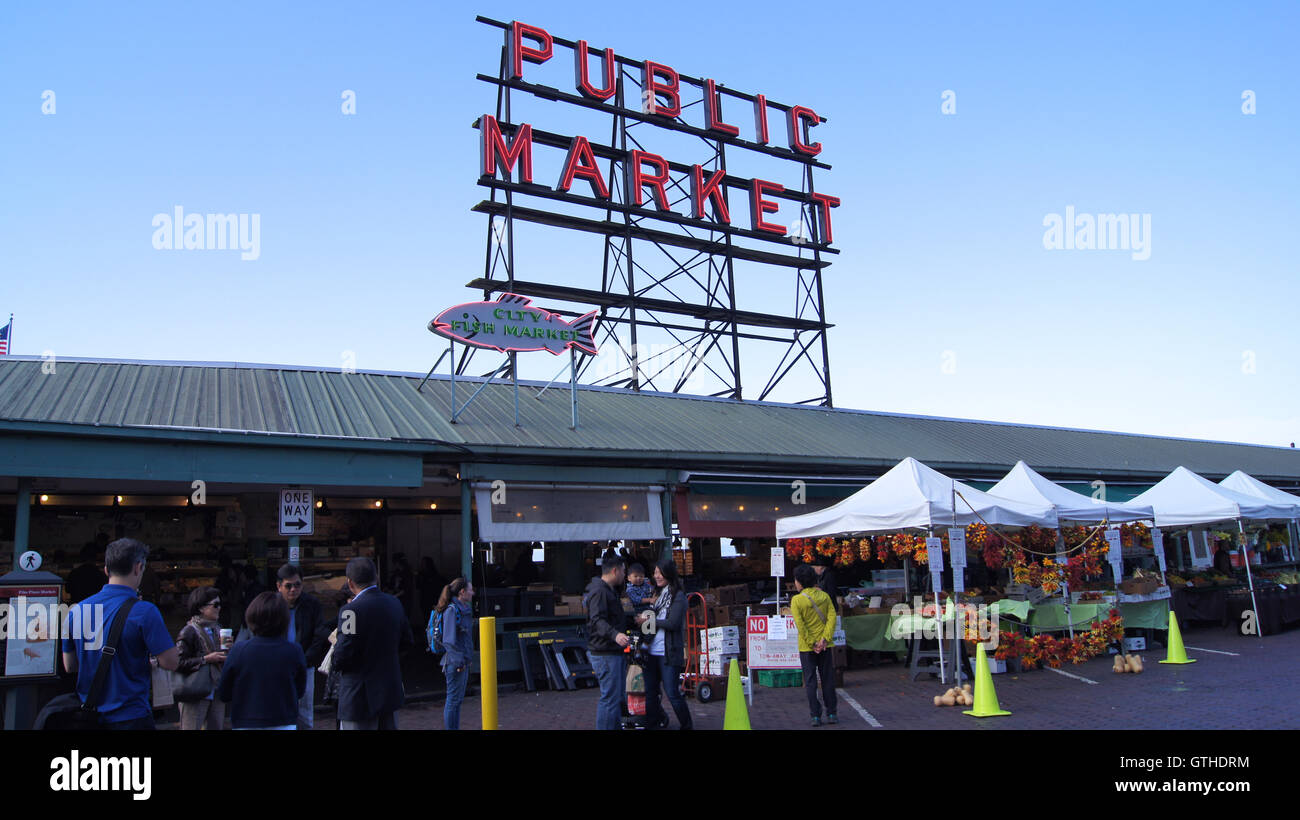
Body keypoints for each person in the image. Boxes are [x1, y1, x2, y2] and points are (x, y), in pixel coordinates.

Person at [60, 538, 179, 730]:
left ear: (106, 570)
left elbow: (70, 666)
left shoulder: (76, 611)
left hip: (88, 716)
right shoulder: (145, 611)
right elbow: (171, 662)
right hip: (132, 715)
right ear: (138, 567)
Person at [332, 557, 414, 730]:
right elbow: (407, 641)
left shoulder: (350, 611)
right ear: (376, 578)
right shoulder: (394, 603)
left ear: (350, 583)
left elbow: (342, 655)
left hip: (358, 696)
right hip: (389, 690)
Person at [216, 592, 306, 730]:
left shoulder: (239, 650)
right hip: (284, 721)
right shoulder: (294, 650)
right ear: (284, 619)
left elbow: (224, 693)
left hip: (245, 721)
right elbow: (299, 690)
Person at [634, 557, 693, 730]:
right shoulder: (658, 595)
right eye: (655, 573)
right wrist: (644, 621)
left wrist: (649, 619)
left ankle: (687, 725)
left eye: (660, 573)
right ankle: (653, 723)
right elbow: (653, 621)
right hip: (651, 650)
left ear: (669, 573)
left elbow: (673, 623)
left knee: (672, 692)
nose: (656, 576)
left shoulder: (678, 597)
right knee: (651, 692)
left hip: (668, 652)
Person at [274, 563, 330, 729]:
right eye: (288, 586)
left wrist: (306, 660)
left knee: (305, 712)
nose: (293, 590)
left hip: (304, 664)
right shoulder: (272, 604)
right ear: (279, 586)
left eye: (297, 585)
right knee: (279, 707)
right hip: (278, 665)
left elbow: (318, 634)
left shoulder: (311, 604)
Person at [583, 554, 630, 730]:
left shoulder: (605, 590)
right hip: (605, 653)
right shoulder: (600, 591)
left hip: (609, 651)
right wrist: (615, 635)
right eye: (624, 571)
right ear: (615, 570)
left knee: (614, 697)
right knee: (610, 698)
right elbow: (597, 620)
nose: (625, 574)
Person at [175, 587, 227, 730]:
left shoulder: (218, 628)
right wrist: (206, 659)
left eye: (220, 604)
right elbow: (178, 662)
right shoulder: (189, 631)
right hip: (195, 691)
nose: (219, 608)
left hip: (216, 688)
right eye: (215, 605)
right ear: (201, 608)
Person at [792, 563, 837, 726]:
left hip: (806, 647)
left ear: (800, 581)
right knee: (827, 679)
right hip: (825, 645)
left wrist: (812, 643)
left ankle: (815, 716)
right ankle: (832, 713)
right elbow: (832, 618)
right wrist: (824, 639)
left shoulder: (796, 600)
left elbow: (800, 625)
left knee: (810, 681)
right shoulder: (824, 596)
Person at [435, 577, 475, 730]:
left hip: (460, 662)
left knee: (456, 701)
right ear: (462, 592)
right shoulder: (453, 610)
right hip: (455, 663)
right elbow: (449, 641)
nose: (473, 592)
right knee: (453, 700)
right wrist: (460, 662)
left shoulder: (459, 609)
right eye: (470, 589)